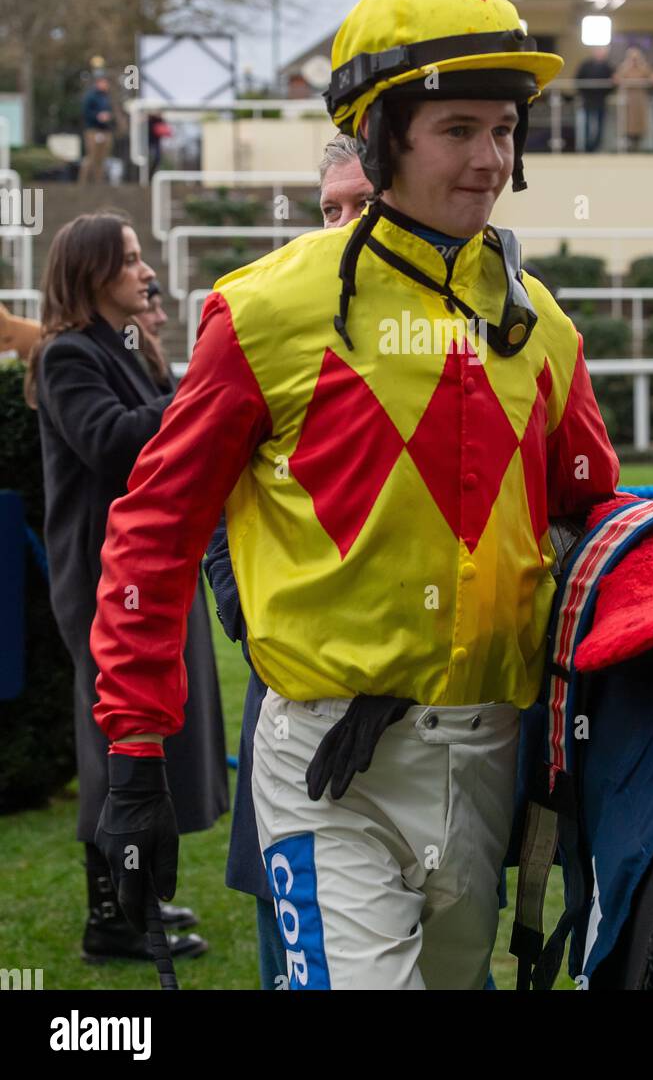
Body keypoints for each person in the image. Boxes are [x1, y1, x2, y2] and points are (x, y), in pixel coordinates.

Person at [89, 0, 621, 991]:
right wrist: (135, 746)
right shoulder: (265, 313)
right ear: (378, 136)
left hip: (486, 757)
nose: (490, 160)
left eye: (504, 128)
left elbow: (592, 518)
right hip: (326, 768)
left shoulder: (543, 328)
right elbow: (154, 525)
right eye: (457, 128)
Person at [24, 211, 229, 964]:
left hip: (154, 567)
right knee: (112, 741)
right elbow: (112, 444)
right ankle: (109, 917)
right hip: (104, 577)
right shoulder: (66, 356)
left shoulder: (130, 347)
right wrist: (201, 390)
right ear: (91, 272)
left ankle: (141, 893)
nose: (146, 271)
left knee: (154, 738)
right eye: (131, 259)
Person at [204, 133, 375, 989]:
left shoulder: (478, 339)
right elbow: (196, 500)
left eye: (361, 207)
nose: (342, 227)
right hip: (291, 697)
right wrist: (255, 617)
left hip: (435, 726)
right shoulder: (269, 321)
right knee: (291, 942)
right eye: (330, 209)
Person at [613, 45, 653, 151]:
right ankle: (627, 145)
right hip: (627, 98)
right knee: (626, 122)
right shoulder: (623, 67)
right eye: (632, 57)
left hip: (640, 98)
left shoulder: (645, 67)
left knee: (640, 122)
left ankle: (638, 145)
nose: (634, 60)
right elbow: (616, 79)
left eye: (636, 57)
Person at [575, 47, 614, 152]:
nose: (599, 54)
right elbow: (578, 80)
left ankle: (597, 145)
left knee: (600, 123)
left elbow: (612, 83)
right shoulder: (585, 65)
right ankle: (587, 146)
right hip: (588, 99)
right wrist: (584, 93)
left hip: (601, 99)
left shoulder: (608, 67)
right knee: (587, 123)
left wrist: (605, 93)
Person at [80, 75, 115, 185]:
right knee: (91, 157)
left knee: (102, 158)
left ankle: (99, 183)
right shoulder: (91, 97)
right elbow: (85, 112)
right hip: (93, 130)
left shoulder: (107, 97)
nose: (106, 85)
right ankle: (83, 183)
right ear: (98, 83)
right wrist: (97, 116)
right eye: (103, 83)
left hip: (105, 130)